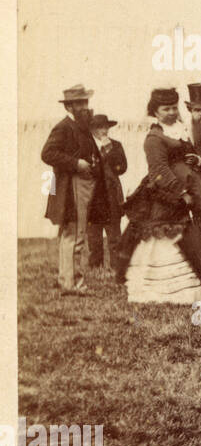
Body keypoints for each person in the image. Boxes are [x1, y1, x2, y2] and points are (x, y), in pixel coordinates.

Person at [121, 88, 201, 305]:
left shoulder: (180, 130)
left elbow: (190, 156)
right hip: (169, 198)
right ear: (155, 112)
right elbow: (159, 171)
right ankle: (181, 294)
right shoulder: (154, 138)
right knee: (180, 238)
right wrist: (181, 192)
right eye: (165, 109)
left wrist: (196, 162)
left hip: (197, 194)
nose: (170, 112)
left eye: (173, 107)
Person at [41, 84, 101, 294]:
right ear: (69, 107)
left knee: (73, 234)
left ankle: (67, 280)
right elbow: (47, 154)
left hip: (82, 185)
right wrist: (76, 163)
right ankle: (73, 284)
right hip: (72, 186)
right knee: (75, 235)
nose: (84, 107)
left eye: (85, 102)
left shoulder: (82, 127)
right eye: (79, 103)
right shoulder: (64, 127)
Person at [86, 114, 127, 272]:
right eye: (99, 127)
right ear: (92, 130)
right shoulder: (87, 146)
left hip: (111, 196)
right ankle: (96, 267)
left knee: (114, 236)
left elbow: (122, 168)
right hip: (93, 196)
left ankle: (116, 268)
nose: (103, 130)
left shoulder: (116, 145)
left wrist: (109, 150)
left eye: (105, 127)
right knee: (94, 237)